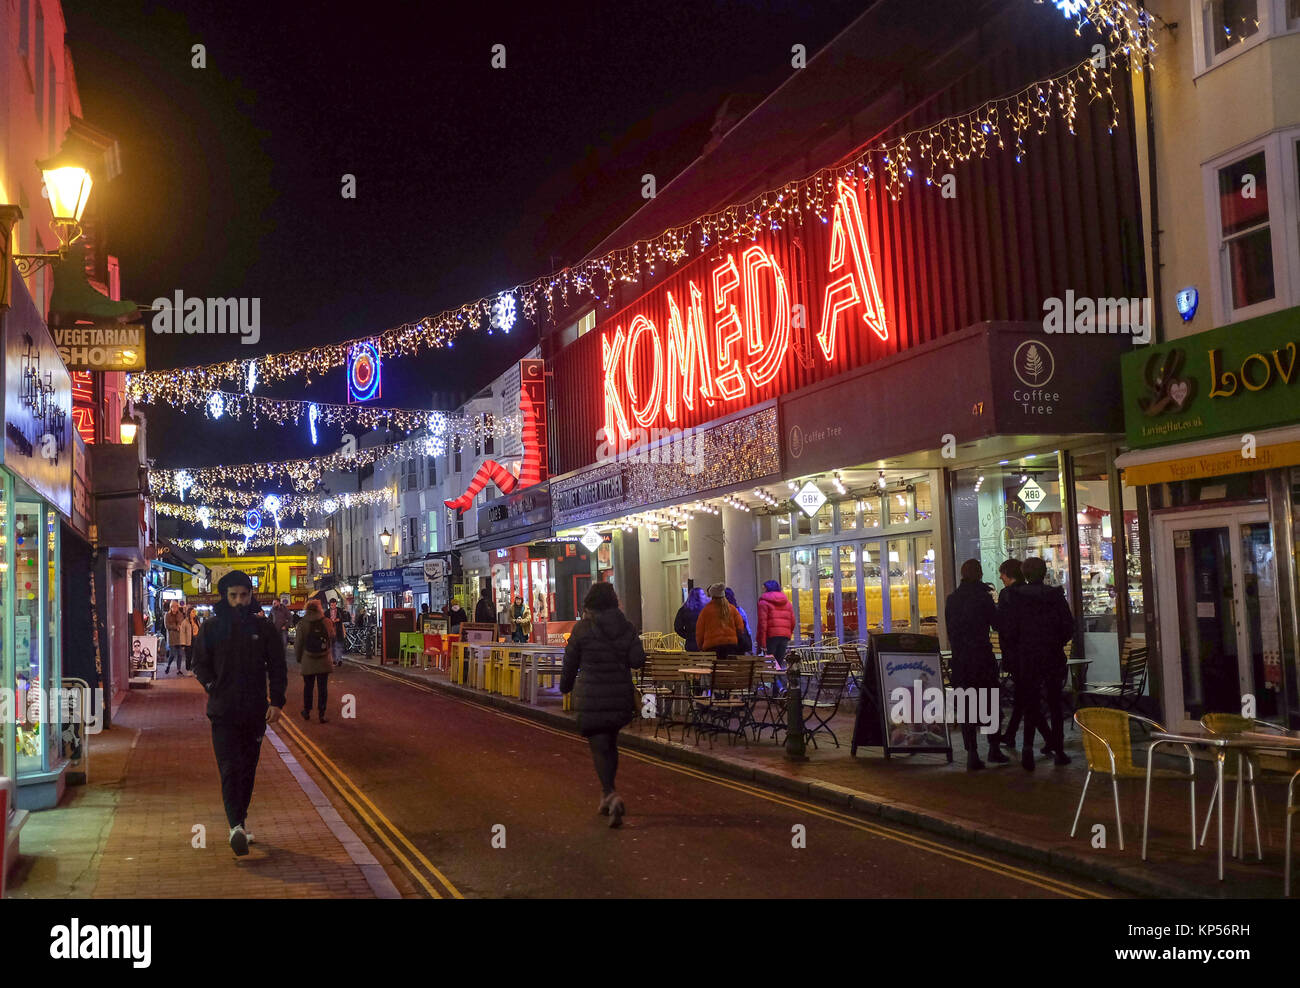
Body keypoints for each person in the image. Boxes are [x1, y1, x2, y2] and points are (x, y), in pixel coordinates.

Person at [192, 570, 287, 856]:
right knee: (229, 767)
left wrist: (277, 703)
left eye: (244, 595)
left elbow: (278, 667)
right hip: (222, 711)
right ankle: (235, 825)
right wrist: (213, 686)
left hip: (255, 710)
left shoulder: (265, 629)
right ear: (225, 596)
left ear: (250, 595)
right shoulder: (211, 628)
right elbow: (199, 663)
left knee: (247, 769)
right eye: (233, 596)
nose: (239, 601)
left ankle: (240, 825)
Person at [560, 582, 646, 828]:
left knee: (599, 746)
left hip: (591, 695)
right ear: (614, 602)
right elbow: (637, 660)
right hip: (619, 695)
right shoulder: (627, 627)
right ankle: (607, 795)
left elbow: (570, 662)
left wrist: (565, 687)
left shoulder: (582, 629)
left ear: (590, 604)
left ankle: (610, 793)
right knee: (611, 742)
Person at [998, 556, 1074, 771]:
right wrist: (1056, 642)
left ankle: (1028, 749)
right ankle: (1058, 750)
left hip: (1026, 657)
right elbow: (1068, 626)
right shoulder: (1055, 596)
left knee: (1030, 703)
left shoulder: (1014, 597)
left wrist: (1017, 648)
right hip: (1051, 656)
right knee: (1054, 704)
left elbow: (1008, 629)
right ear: (1044, 573)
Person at [944, 559, 1009, 770]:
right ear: (979, 574)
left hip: (961, 659)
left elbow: (951, 630)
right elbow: (998, 624)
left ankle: (972, 752)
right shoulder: (983, 597)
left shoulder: (952, 599)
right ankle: (993, 749)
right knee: (990, 702)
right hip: (981, 657)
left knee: (966, 706)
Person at [295, 600, 334, 723]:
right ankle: (322, 714)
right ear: (319, 609)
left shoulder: (302, 623)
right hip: (324, 659)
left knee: (308, 687)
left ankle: (307, 711)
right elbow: (332, 636)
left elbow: (298, 643)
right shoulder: (327, 622)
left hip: (308, 659)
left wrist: (299, 658)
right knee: (323, 688)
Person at [696, 583, 746, 661]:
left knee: (716, 671)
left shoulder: (706, 611)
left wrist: (700, 646)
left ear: (712, 596)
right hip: (731, 646)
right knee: (729, 670)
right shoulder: (732, 609)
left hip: (712, 647)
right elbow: (740, 627)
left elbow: (700, 632)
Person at [756, 580, 796, 664]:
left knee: (770, 663)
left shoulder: (763, 603)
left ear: (767, 589)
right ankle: (778, 676)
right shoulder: (787, 603)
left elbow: (762, 624)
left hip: (770, 636)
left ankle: (774, 677)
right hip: (784, 636)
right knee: (779, 662)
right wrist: (788, 633)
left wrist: (762, 642)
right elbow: (793, 621)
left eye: (764, 588)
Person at [673, 586, 709, 651]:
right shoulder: (707, 609)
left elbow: (677, 627)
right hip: (706, 641)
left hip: (691, 643)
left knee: (692, 660)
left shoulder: (684, 610)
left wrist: (688, 636)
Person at [164, 600, 191, 675]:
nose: (175, 608)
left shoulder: (180, 614)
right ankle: (168, 665)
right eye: (173, 606)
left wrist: (180, 626)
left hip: (180, 637)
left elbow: (182, 623)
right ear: (171, 607)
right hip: (172, 637)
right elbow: (167, 625)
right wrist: (175, 627)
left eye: (176, 606)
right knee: (172, 654)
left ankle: (178, 670)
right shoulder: (167, 615)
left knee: (180, 654)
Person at [326, 599, 350, 666]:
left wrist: (339, 619)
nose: (332, 606)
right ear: (329, 605)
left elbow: (345, 618)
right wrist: (330, 621)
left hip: (338, 631)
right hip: (330, 631)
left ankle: (339, 660)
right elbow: (324, 620)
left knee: (338, 646)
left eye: (334, 605)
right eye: (331, 605)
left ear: (336, 604)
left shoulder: (340, 610)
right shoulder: (327, 612)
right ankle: (333, 660)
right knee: (332, 647)